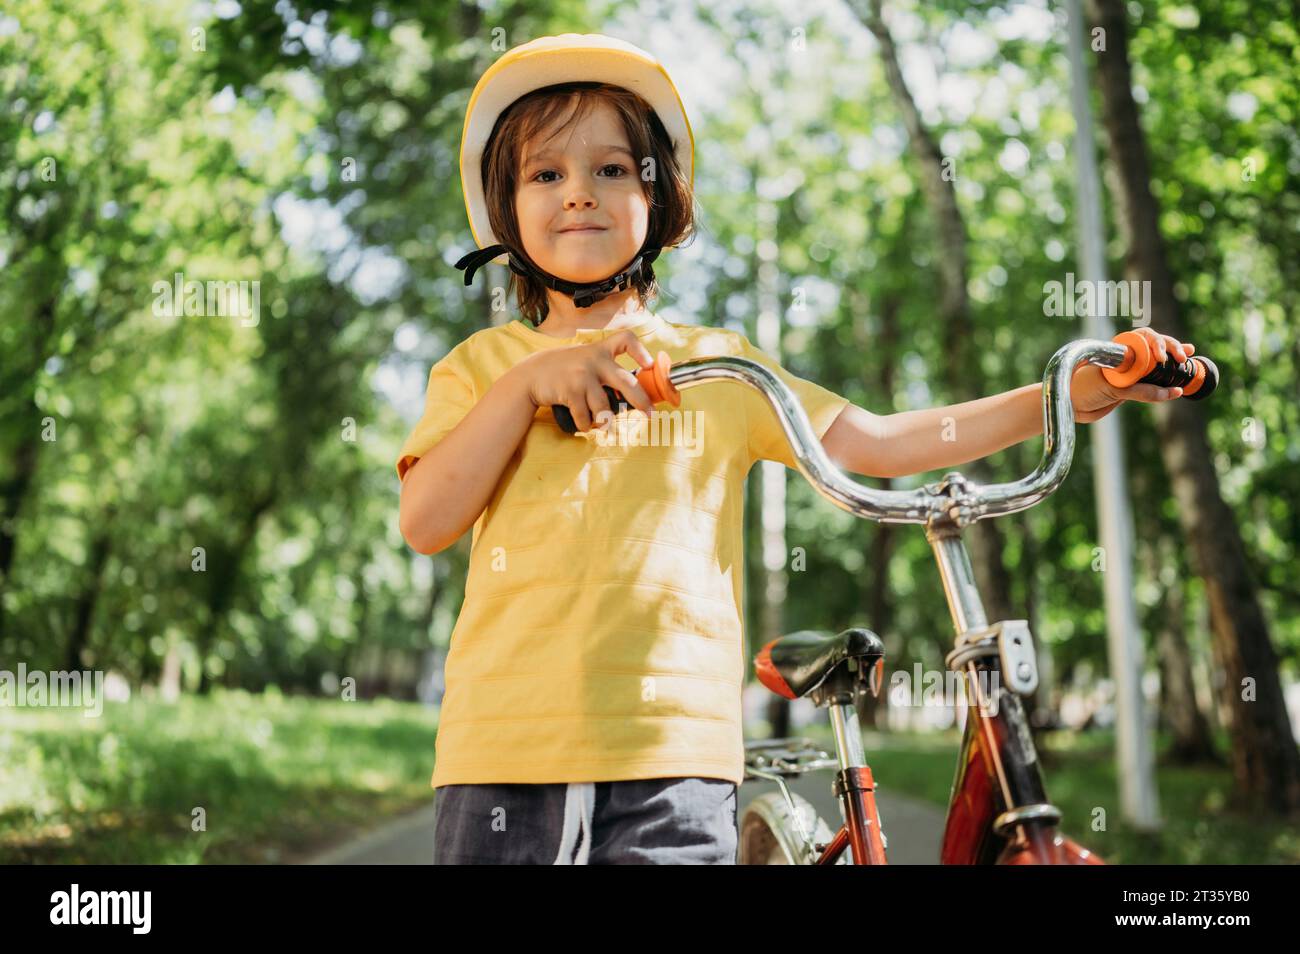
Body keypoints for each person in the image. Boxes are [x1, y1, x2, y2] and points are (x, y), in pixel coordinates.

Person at [396, 33, 1193, 864]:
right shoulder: (480, 369)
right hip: (505, 752)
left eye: (611, 170)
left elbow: (875, 441)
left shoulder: (719, 363)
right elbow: (427, 519)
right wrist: (528, 387)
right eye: (546, 174)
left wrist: (1065, 395)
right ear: (506, 208)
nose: (579, 195)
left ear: (656, 195)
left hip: (676, 756)